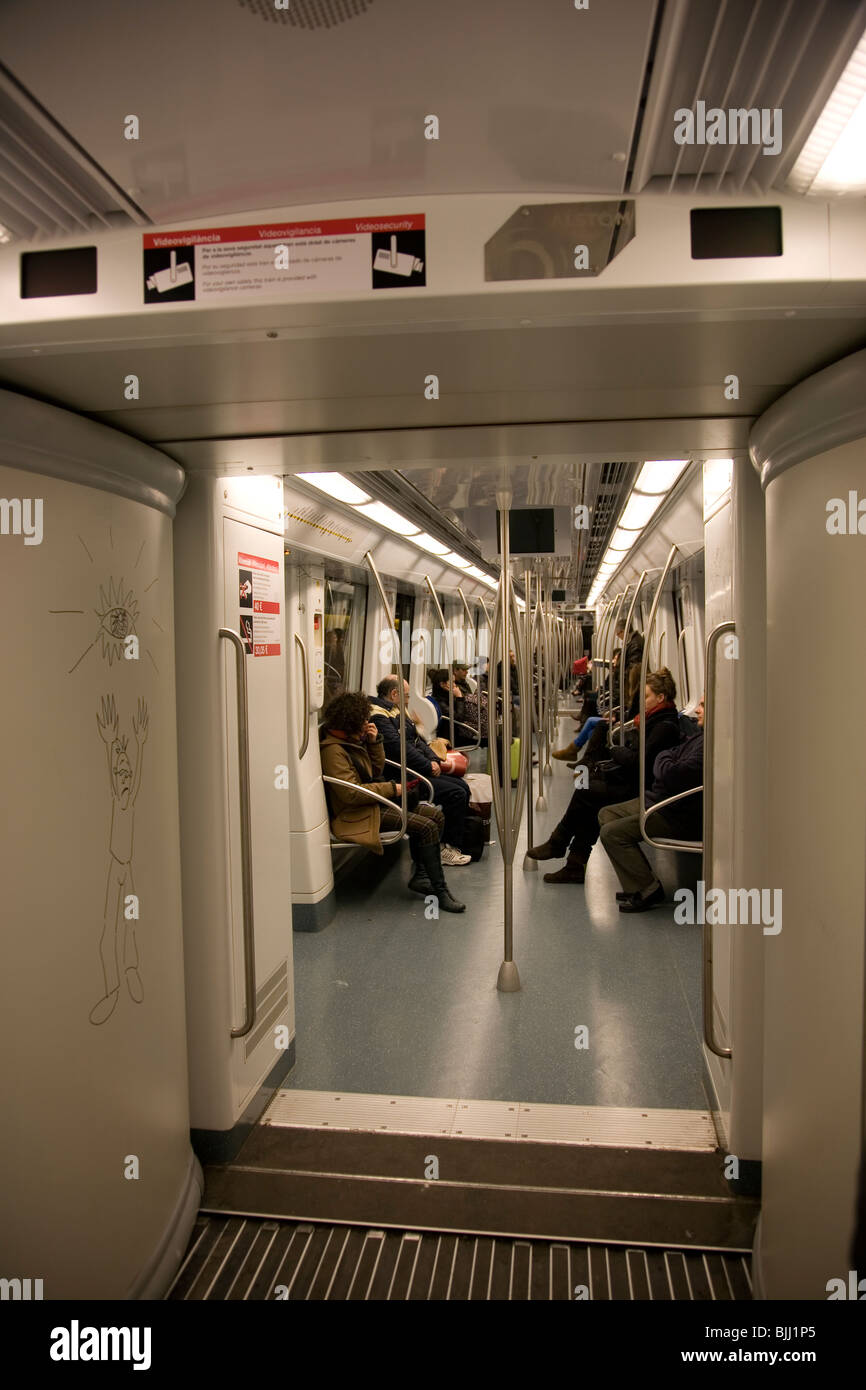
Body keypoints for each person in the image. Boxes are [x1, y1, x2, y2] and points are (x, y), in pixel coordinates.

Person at [526, 668, 681, 884]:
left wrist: (614, 750)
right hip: (637, 780)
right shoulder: (655, 720)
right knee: (589, 796)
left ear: (661, 697)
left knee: (586, 792)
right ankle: (574, 862)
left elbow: (638, 761)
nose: (642, 701)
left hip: (643, 787)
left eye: (646, 696)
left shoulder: (663, 726)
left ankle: (559, 844)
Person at [319, 692, 465, 913]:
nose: (366, 725)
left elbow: (374, 771)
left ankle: (422, 876)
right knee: (426, 827)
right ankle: (440, 890)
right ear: (349, 724)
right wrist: (392, 788)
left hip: (372, 803)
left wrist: (374, 743)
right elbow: (350, 794)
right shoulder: (334, 751)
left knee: (436, 815)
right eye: (362, 723)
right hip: (356, 813)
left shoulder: (350, 742)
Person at [598, 696, 704, 912]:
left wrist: (664, 760)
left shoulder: (708, 745)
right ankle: (640, 882)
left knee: (611, 833)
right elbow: (667, 758)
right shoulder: (699, 737)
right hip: (663, 801)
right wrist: (665, 760)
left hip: (677, 814)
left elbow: (671, 771)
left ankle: (648, 890)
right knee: (606, 814)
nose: (697, 711)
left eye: (702, 706)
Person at [369, 675, 472, 865]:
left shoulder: (398, 710)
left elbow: (417, 740)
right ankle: (444, 849)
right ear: (394, 694)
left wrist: (433, 759)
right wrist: (426, 766)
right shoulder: (379, 716)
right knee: (456, 793)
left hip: (416, 768)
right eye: (407, 696)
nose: (409, 700)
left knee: (462, 787)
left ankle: (453, 843)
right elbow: (399, 748)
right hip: (402, 776)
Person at [428, 667, 476, 746]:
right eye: (453, 682)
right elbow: (459, 718)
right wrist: (459, 697)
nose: (455, 685)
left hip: (459, 732)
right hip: (453, 739)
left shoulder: (447, 697)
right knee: (496, 742)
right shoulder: (440, 703)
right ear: (443, 684)